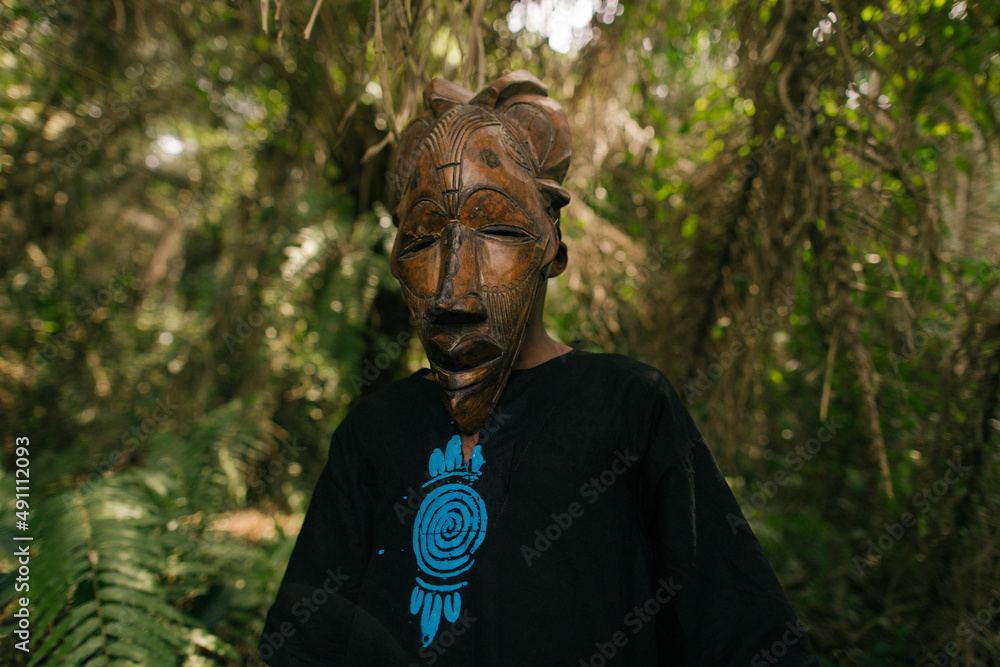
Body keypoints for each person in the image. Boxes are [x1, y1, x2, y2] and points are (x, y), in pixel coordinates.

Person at [259, 70, 819, 666]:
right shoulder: (371, 434)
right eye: (422, 240)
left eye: (497, 229)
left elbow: (744, 637)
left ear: (553, 249)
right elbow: (303, 647)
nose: (453, 293)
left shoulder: (629, 408)